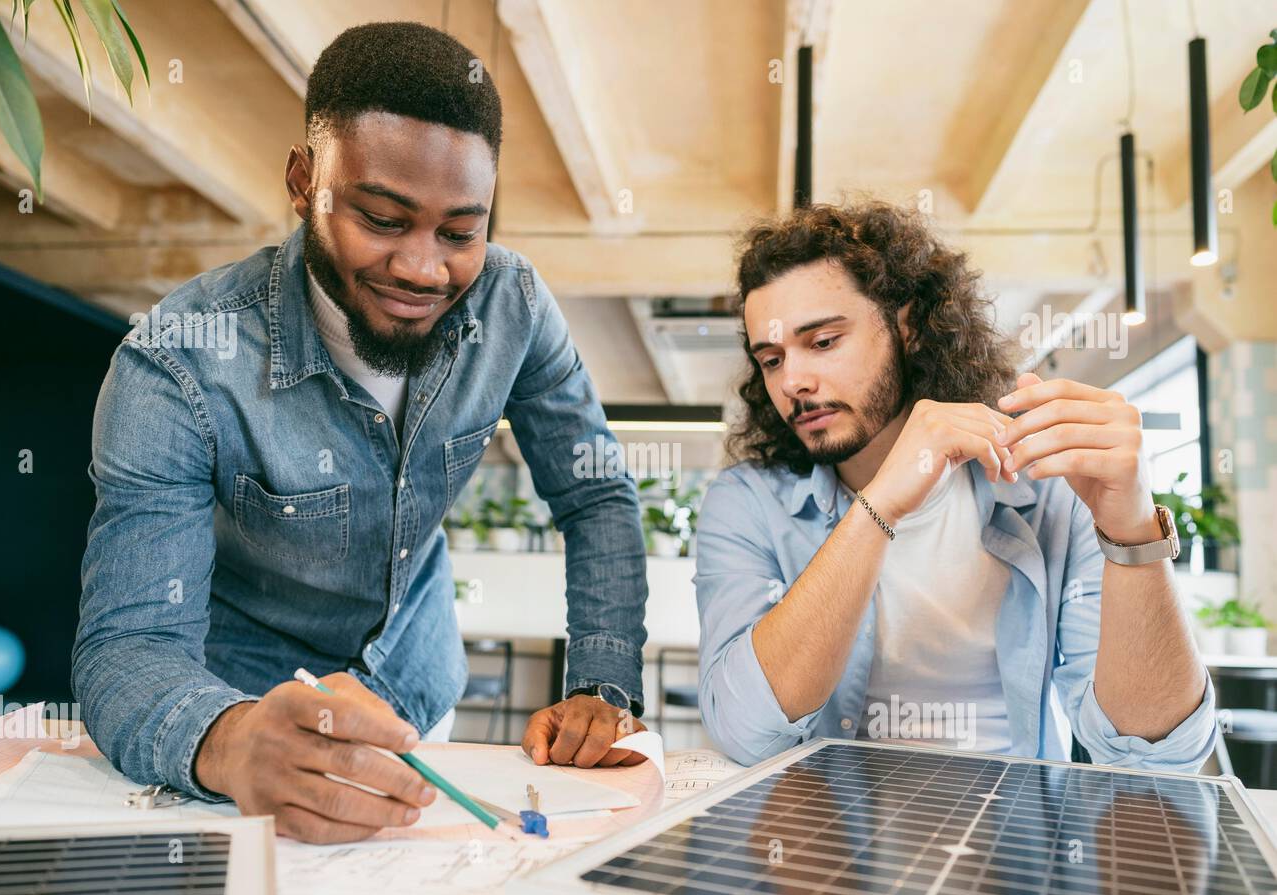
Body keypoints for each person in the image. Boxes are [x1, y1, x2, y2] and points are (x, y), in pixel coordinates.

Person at [72, 22, 648, 845]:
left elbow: (595, 496)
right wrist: (227, 741)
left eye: (459, 232)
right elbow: (126, 649)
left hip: (420, 699)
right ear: (305, 183)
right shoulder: (177, 364)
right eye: (383, 219)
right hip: (249, 737)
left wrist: (603, 684)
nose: (423, 269)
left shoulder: (512, 306)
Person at [695, 199, 1215, 771]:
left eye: (822, 342)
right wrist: (884, 500)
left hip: (1015, 841)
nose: (793, 380)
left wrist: (1132, 528)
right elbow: (745, 734)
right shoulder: (746, 502)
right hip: (826, 848)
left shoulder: (1047, 488)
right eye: (770, 359)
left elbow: (1159, 754)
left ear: (908, 326)